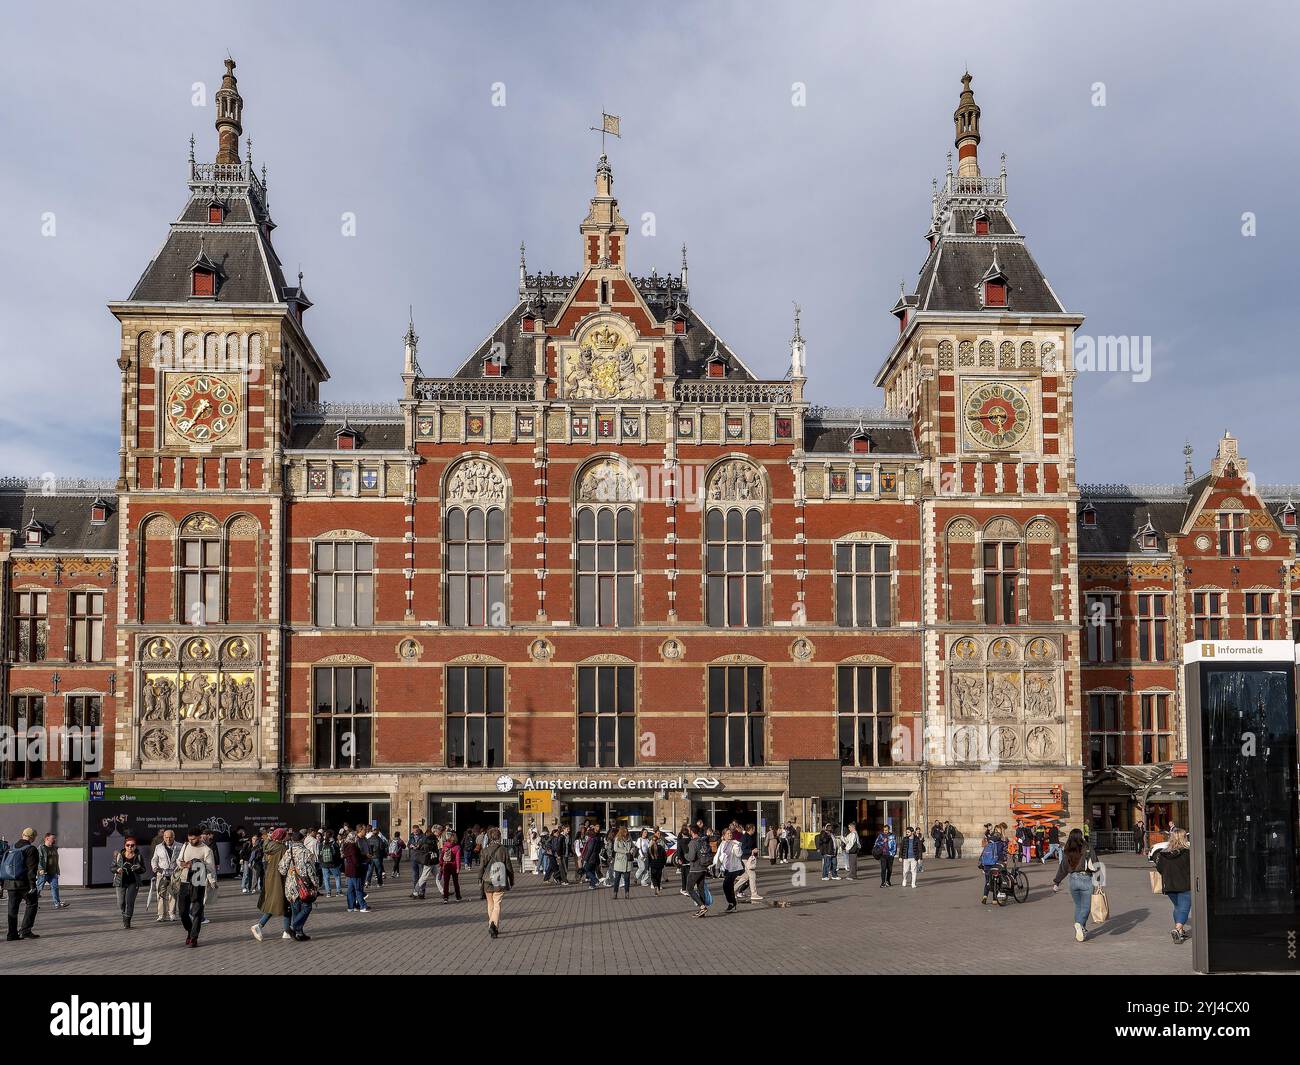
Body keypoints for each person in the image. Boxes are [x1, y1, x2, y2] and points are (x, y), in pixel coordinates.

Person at [1052, 828, 1097, 941]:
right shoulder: (1087, 847)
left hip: (1073, 880)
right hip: (1086, 878)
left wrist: (1057, 882)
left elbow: (1063, 867)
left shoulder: (1067, 850)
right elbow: (1096, 863)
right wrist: (1100, 881)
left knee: (1078, 906)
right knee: (1086, 907)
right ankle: (1080, 925)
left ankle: (1081, 931)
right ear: (1080, 836)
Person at [175, 828, 216, 947]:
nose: (191, 840)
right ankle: (189, 931)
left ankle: (194, 937)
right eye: (189, 838)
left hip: (198, 882)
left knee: (197, 912)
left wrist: (198, 864)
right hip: (184, 881)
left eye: (193, 838)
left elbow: (211, 868)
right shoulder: (186, 845)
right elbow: (179, 860)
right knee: (182, 912)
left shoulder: (206, 850)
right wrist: (184, 864)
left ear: (199, 837)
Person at [1151, 828, 1192, 943]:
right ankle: (1177, 928)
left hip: (1169, 886)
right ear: (1184, 838)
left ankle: (1181, 932)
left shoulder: (1163, 854)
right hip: (1185, 885)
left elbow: (1160, 869)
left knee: (1178, 907)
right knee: (1184, 909)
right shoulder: (1188, 853)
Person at [252, 827, 292, 940]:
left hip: (270, 877)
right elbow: (287, 864)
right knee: (285, 904)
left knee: (275, 903)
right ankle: (285, 930)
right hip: (280, 878)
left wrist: (269, 838)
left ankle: (284, 930)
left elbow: (266, 842)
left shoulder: (268, 845)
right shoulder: (283, 848)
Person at [279, 831, 321, 941]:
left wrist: (291, 871)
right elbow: (311, 871)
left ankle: (299, 933)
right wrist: (316, 884)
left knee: (296, 910)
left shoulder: (289, 851)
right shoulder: (306, 852)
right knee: (307, 907)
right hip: (304, 885)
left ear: (292, 840)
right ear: (302, 840)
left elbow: (282, 869)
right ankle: (294, 927)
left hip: (291, 886)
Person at [3, 827, 40, 940]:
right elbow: (31, 869)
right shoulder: (31, 849)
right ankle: (26, 930)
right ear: (32, 837)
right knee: (32, 903)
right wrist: (33, 885)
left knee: (12, 908)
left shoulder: (11, 847)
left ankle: (12, 934)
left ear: (22, 834)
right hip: (23, 884)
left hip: (10, 883)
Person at [479, 826, 514, 939]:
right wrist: (511, 879)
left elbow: (481, 867)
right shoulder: (503, 850)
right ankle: (494, 925)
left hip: (487, 881)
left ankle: (491, 924)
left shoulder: (484, 851)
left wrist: (479, 878)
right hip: (499, 880)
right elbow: (509, 866)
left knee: (490, 904)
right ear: (499, 837)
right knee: (497, 904)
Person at [111, 837, 148, 929]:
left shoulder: (138, 856)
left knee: (130, 902)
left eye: (132, 845)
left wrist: (138, 868)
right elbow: (112, 868)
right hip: (120, 881)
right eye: (128, 845)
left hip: (133, 882)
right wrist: (117, 869)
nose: (130, 847)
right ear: (125, 846)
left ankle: (127, 920)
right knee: (121, 902)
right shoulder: (119, 855)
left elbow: (144, 869)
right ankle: (124, 914)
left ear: (135, 846)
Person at [151, 829, 181, 923]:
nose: (168, 839)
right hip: (162, 874)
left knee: (173, 894)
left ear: (173, 837)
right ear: (163, 837)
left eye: (170, 837)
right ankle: (161, 915)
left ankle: (172, 914)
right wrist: (155, 867)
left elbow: (182, 859)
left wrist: (180, 868)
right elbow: (154, 859)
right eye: (166, 837)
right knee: (160, 894)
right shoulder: (158, 847)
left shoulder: (180, 846)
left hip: (174, 874)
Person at [713, 828, 745, 913]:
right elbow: (718, 856)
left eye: (730, 833)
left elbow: (739, 854)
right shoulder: (722, 844)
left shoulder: (734, 843)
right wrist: (716, 868)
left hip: (734, 868)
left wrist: (737, 846)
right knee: (729, 886)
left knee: (726, 885)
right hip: (726, 869)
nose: (730, 835)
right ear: (723, 836)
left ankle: (732, 903)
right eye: (727, 834)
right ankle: (732, 904)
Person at [685, 825, 713, 917]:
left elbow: (691, 857)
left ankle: (702, 907)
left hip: (695, 869)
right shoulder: (702, 840)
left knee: (689, 888)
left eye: (689, 830)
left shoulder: (693, 843)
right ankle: (703, 910)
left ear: (692, 832)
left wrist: (685, 855)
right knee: (701, 889)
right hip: (703, 868)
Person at [341, 830, 370, 913]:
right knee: (358, 888)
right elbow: (355, 859)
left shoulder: (346, 845)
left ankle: (351, 907)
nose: (357, 839)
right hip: (355, 870)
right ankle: (363, 906)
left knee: (351, 889)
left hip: (349, 870)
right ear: (353, 838)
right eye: (356, 837)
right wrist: (361, 862)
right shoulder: (352, 846)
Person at [36, 832, 68, 909]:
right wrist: (40, 869)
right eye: (53, 838)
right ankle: (33, 904)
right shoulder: (41, 848)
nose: (55, 840)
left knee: (55, 887)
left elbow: (55, 860)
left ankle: (57, 903)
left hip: (53, 873)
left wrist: (57, 871)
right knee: (39, 888)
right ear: (47, 839)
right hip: (43, 873)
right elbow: (39, 860)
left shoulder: (54, 848)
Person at [978, 830, 1008, 906]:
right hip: (994, 864)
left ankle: (985, 896)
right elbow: (1001, 854)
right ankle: (995, 899)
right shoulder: (999, 844)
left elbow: (983, 854)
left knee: (987, 881)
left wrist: (981, 864)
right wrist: (1004, 861)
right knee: (996, 881)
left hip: (986, 864)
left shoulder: (989, 843)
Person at [438, 829, 462, 902]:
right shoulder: (457, 847)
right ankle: (458, 897)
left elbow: (441, 856)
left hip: (446, 865)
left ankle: (445, 898)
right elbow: (458, 859)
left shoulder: (445, 846)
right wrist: (458, 868)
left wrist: (441, 865)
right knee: (455, 882)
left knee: (446, 882)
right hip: (453, 866)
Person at [610, 826, 634, 898]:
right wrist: (626, 852)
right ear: (621, 831)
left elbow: (633, 846)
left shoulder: (629, 838)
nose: (626, 832)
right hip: (619, 861)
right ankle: (615, 893)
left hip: (628, 862)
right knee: (617, 879)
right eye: (625, 831)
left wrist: (632, 850)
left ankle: (627, 893)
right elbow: (615, 849)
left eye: (627, 831)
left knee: (627, 879)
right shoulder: (617, 839)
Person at [318, 830, 342, 898]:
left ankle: (328, 893)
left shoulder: (321, 844)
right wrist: (338, 863)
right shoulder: (334, 843)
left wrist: (321, 862)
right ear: (332, 835)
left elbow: (319, 855)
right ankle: (338, 892)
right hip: (333, 864)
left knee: (326, 878)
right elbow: (338, 855)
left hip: (324, 864)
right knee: (337, 877)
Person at [647, 831, 669, 896]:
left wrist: (649, 865)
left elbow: (649, 858)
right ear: (657, 841)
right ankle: (658, 888)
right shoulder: (661, 847)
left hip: (653, 865)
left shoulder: (650, 848)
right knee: (659, 877)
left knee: (653, 877)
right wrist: (663, 863)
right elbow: (665, 856)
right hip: (660, 865)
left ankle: (655, 885)